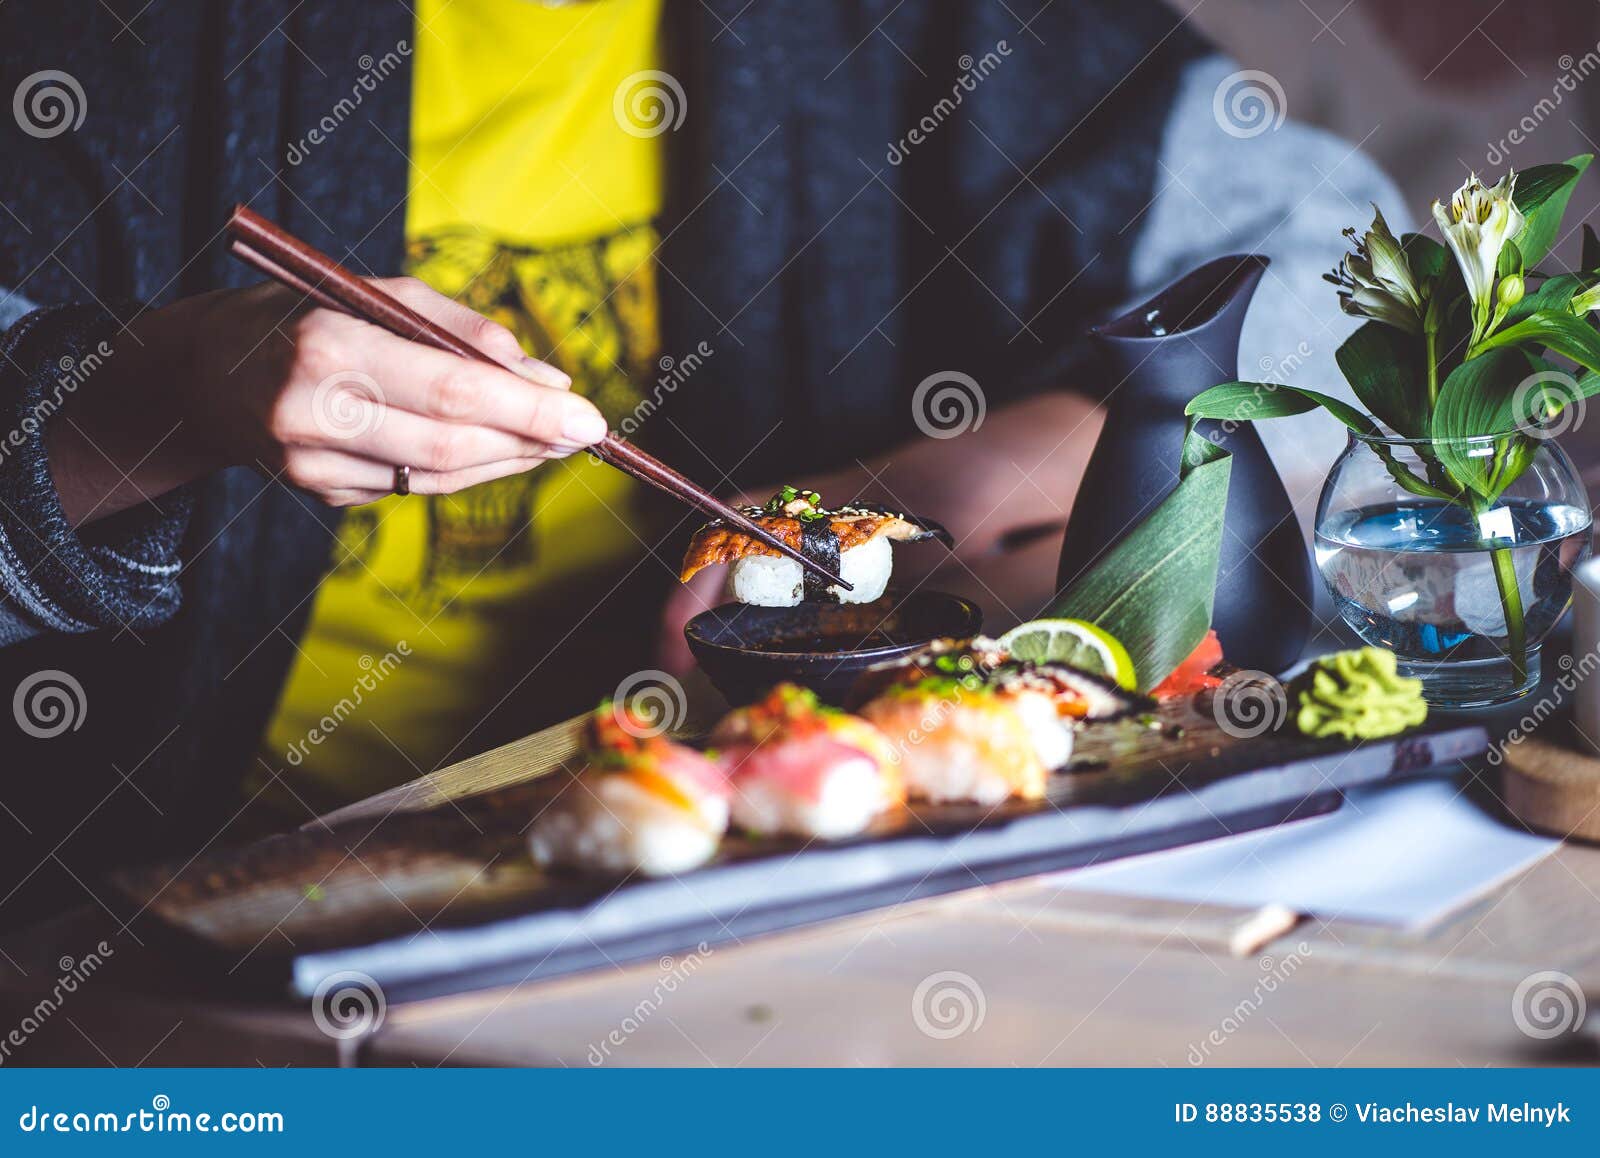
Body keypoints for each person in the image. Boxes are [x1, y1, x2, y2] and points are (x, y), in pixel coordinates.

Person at [0, 0, 1399, 924]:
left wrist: (1052, 439)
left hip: (754, 891)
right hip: (159, 933)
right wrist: (149, 400)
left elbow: (1363, 266)